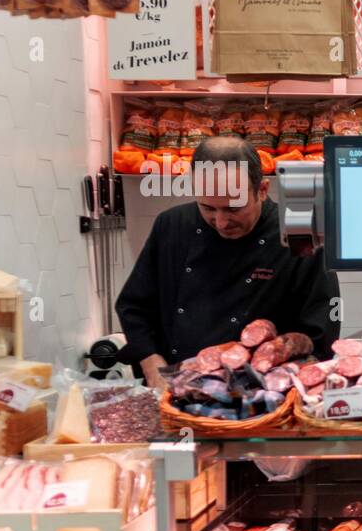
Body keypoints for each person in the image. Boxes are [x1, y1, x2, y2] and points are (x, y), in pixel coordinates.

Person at [116, 137, 340, 387]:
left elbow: (320, 333)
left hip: (265, 395)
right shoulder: (172, 226)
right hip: (177, 390)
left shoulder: (300, 235)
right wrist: (152, 367)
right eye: (208, 208)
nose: (221, 222)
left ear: (263, 190)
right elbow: (134, 307)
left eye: (234, 208)